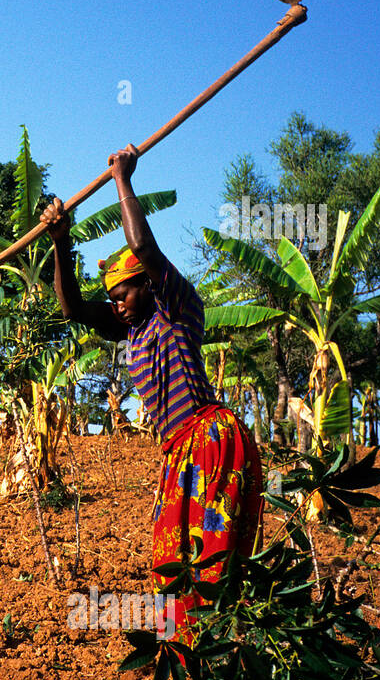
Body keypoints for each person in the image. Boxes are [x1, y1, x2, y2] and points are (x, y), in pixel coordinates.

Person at [45, 144, 264, 644]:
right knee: (170, 563)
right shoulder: (132, 331)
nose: (117, 305)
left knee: (213, 561)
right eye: (112, 298)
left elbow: (143, 249)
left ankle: (226, 650)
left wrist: (123, 179)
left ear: (148, 284)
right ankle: (189, 656)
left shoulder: (178, 306)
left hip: (211, 439)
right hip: (175, 451)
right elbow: (73, 309)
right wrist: (61, 239)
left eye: (123, 293)